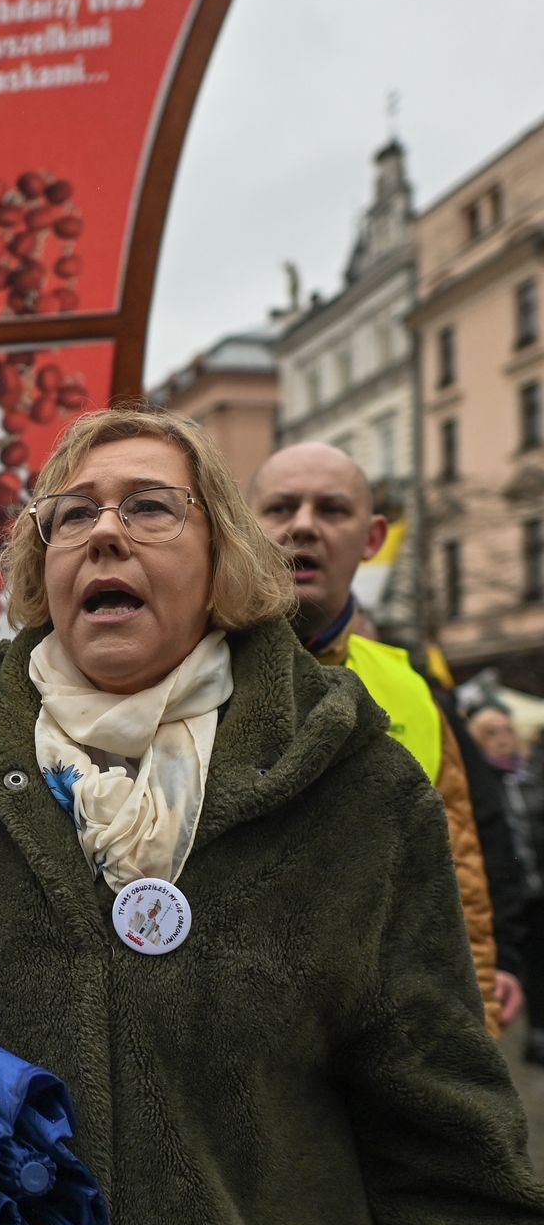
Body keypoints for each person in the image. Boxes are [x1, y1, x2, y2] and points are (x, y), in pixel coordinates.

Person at [0, 407, 544, 1225]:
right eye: (71, 515)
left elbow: (449, 1143)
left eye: (151, 508)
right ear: (43, 565)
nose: (104, 531)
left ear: (222, 559)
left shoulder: (356, 783)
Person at [248, 442, 508, 1033]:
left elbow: (460, 883)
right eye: (281, 508)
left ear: (371, 538)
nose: (304, 526)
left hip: (380, 1036)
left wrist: (478, 1035)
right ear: (244, 528)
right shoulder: (184, 670)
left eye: (332, 510)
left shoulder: (411, 689)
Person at [470, 703, 544, 1064]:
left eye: (506, 730)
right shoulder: (479, 787)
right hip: (509, 897)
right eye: (491, 733)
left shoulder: (532, 774)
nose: (502, 739)